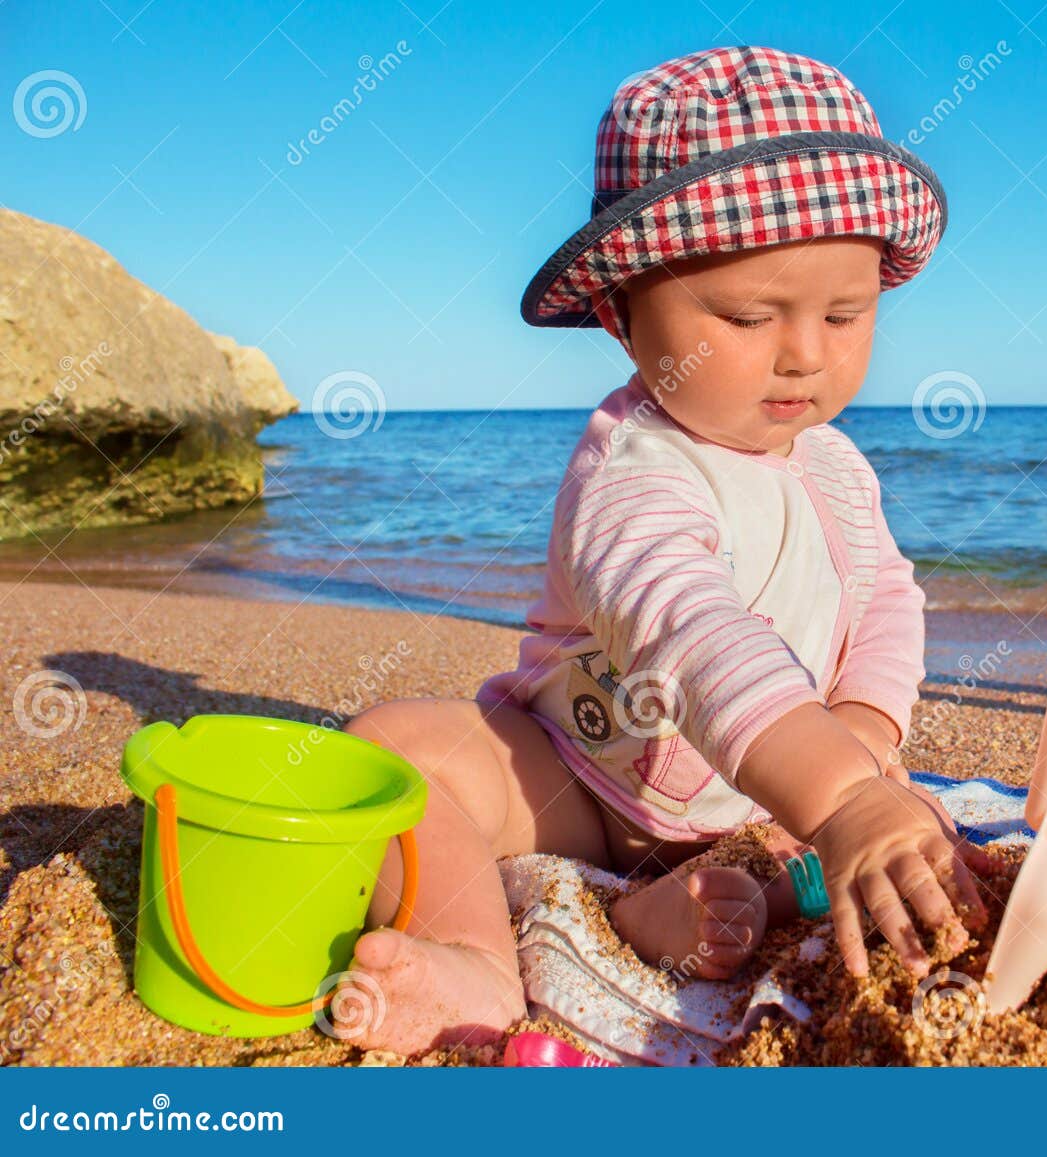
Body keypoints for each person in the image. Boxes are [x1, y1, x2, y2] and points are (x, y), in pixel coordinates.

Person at [336, 45, 985, 1056]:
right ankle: (470, 949)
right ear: (624, 317)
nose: (804, 350)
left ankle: (680, 908)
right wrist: (845, 791)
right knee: (387, 750)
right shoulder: (630, 473)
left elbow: (885, 598)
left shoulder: (839, 469)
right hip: (579, 783)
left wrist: (859, 734)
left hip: (767, 800)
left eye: (844, 314)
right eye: (745, 314)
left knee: (846, 849)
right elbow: (689, 627)